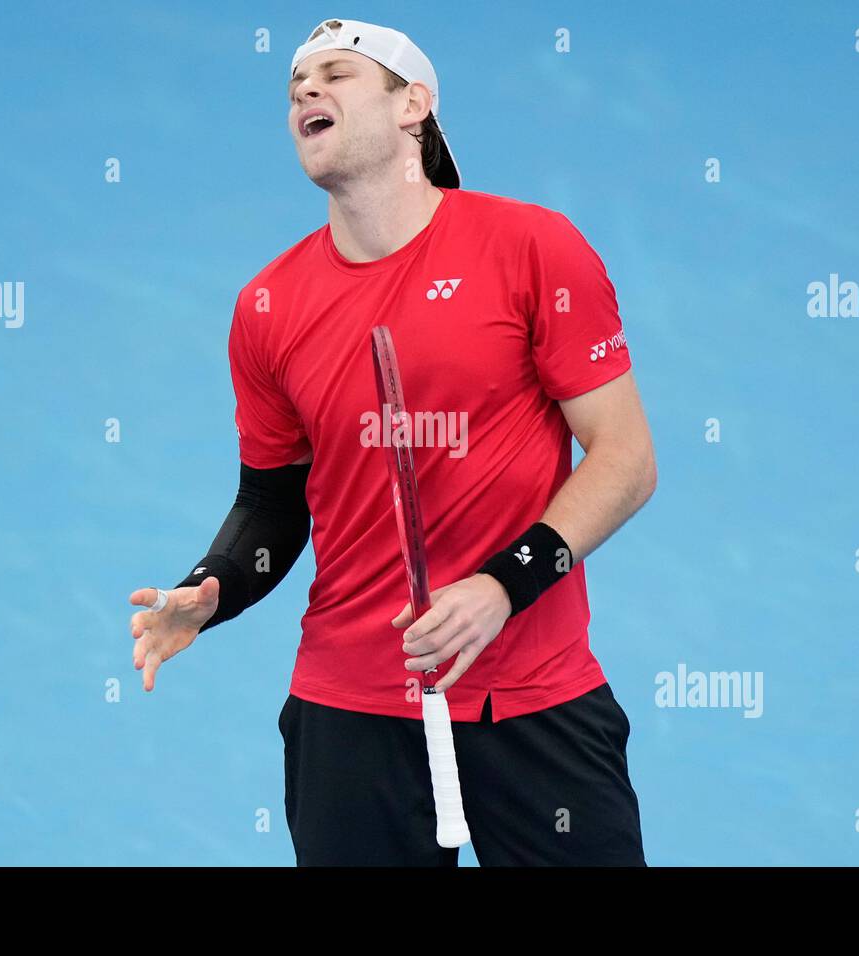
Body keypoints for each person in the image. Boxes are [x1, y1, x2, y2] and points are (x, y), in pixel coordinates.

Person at [128, 18, 656, 866]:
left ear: (413, 104)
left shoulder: (532, 248)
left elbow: (626, 460)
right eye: (297, 84)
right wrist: (213, 586)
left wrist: (500, 589)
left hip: (532, 697)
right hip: (353, 709)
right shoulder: (268, 307)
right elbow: (271, 502)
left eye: (336, 73)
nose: (306, 91)